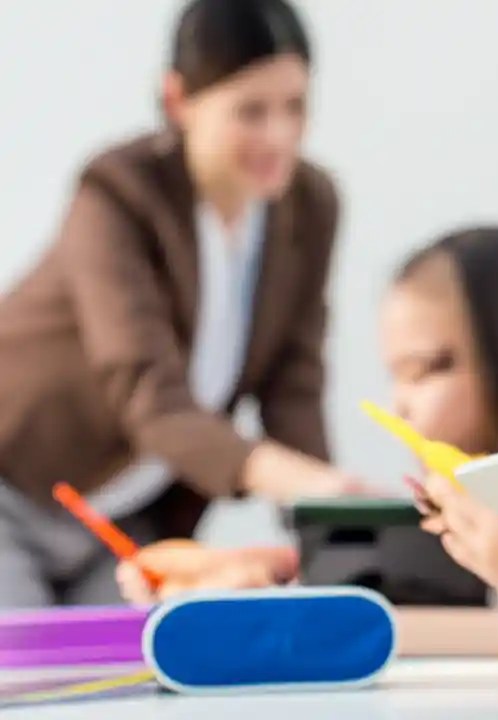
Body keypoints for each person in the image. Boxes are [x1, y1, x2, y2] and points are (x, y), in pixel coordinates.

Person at [117, 227, 498, 646]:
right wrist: (262, 582)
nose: (400, 404)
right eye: (394, 375)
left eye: (427, 369)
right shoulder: (433, 522)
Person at [0, 0, 365, 609]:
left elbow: (294, 389)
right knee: (19, 660)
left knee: (138, 661)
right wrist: (302, 482)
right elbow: (148, 393)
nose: (279, 135)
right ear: (179, 101)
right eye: (251, 111)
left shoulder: (311, 205)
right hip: (14, 489)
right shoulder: (118, 192)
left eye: (295, 106)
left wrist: (331, 527)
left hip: (128, 523)